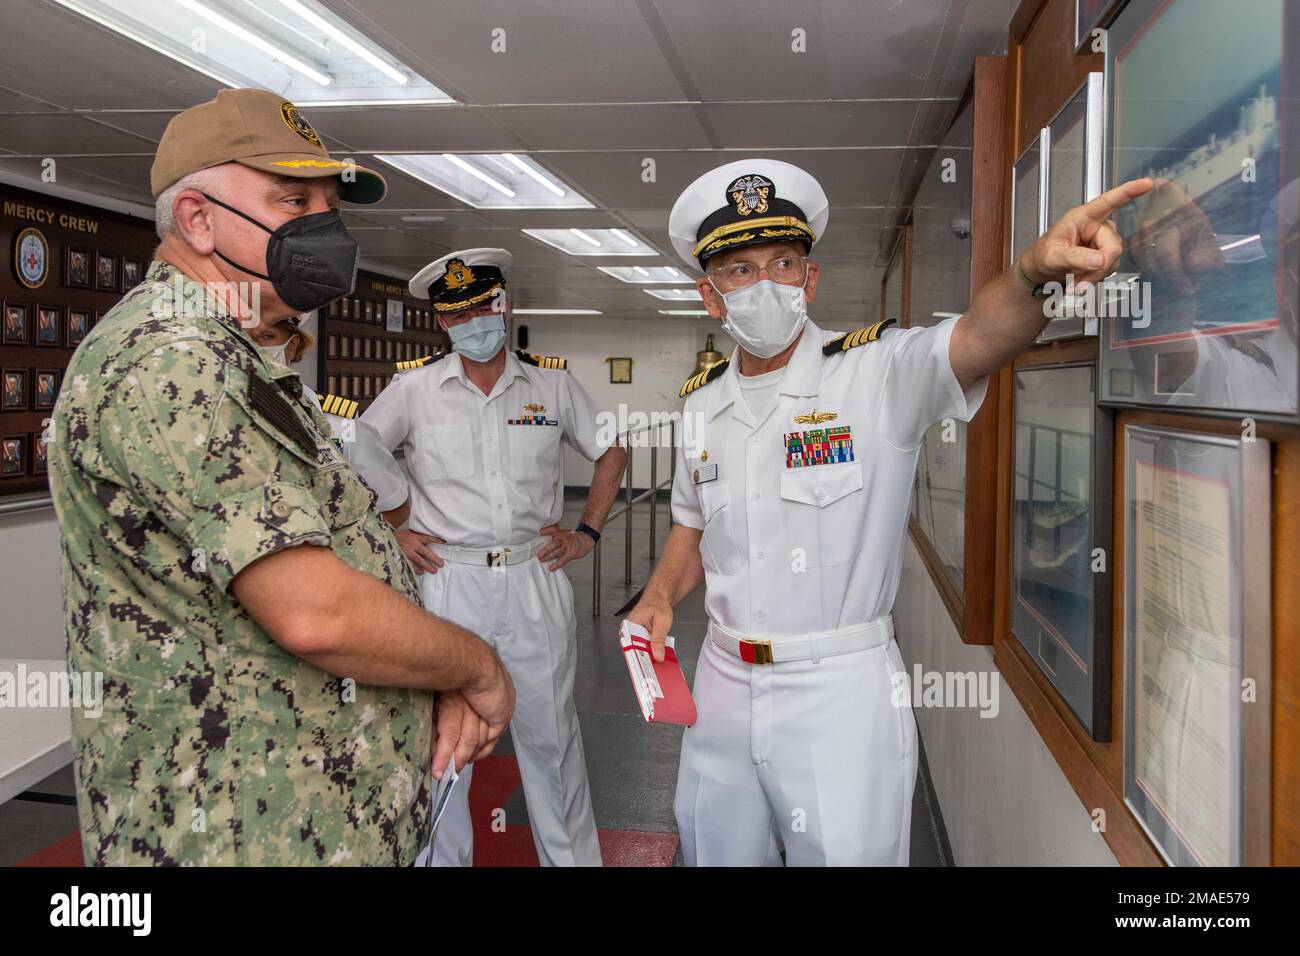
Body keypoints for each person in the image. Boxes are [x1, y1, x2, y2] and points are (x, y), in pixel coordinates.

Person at [628, 158, 1152, 866]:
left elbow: (976, 340)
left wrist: (1035, 271)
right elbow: (691, 526)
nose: (765, 284)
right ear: (712, 296)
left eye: (783, 263)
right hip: (720, 679)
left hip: (838, 688)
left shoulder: (876, 374)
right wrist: (659, 595)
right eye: (740, 271)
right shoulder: (700, 405)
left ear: (809, 281)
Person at [47, 88, 515, 866]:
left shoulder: (232, 353)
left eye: (329, 204)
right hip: (232, 832)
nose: (323, 227)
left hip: (301, 819)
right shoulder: (175, 359)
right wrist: (476, 664)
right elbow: (315, 614)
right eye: (291, 199)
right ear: (197, 220)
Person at [357, 248, 627, 867]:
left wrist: (588, 530)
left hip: (533, 577)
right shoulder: (415, 388)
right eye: (457, 316)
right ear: (443, 325)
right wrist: (391, 529)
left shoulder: (552, 383)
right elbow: (357, 452)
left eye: (482, 308)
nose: (473, 324)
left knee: (552, 740)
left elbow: (611, 449)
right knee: (444, 744)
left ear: (503, 306)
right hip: (448, 583)